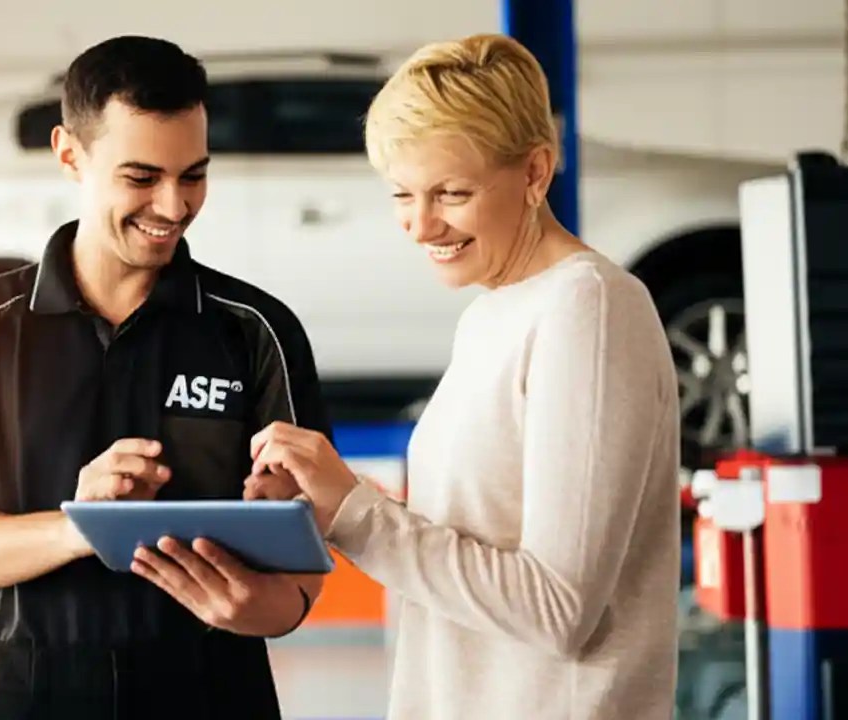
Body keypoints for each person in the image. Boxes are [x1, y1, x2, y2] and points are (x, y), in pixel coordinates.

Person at [0, 35, 330, 719]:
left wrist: (264, 605)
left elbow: (302, 564)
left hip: (211, 687)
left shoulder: (256, 329)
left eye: (194, 175)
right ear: (69, 155)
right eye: (141, 178)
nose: (174, 206)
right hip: (32, 690)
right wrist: (83, 528)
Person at [249, 34, 681, 720]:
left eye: (451, 192)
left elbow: (558, 609)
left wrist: (355, 512)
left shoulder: (589, 308)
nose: (421, 224)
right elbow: (457, 549)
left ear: (536, 172)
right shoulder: (490, 314)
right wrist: (326, 501)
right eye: (402, 193)